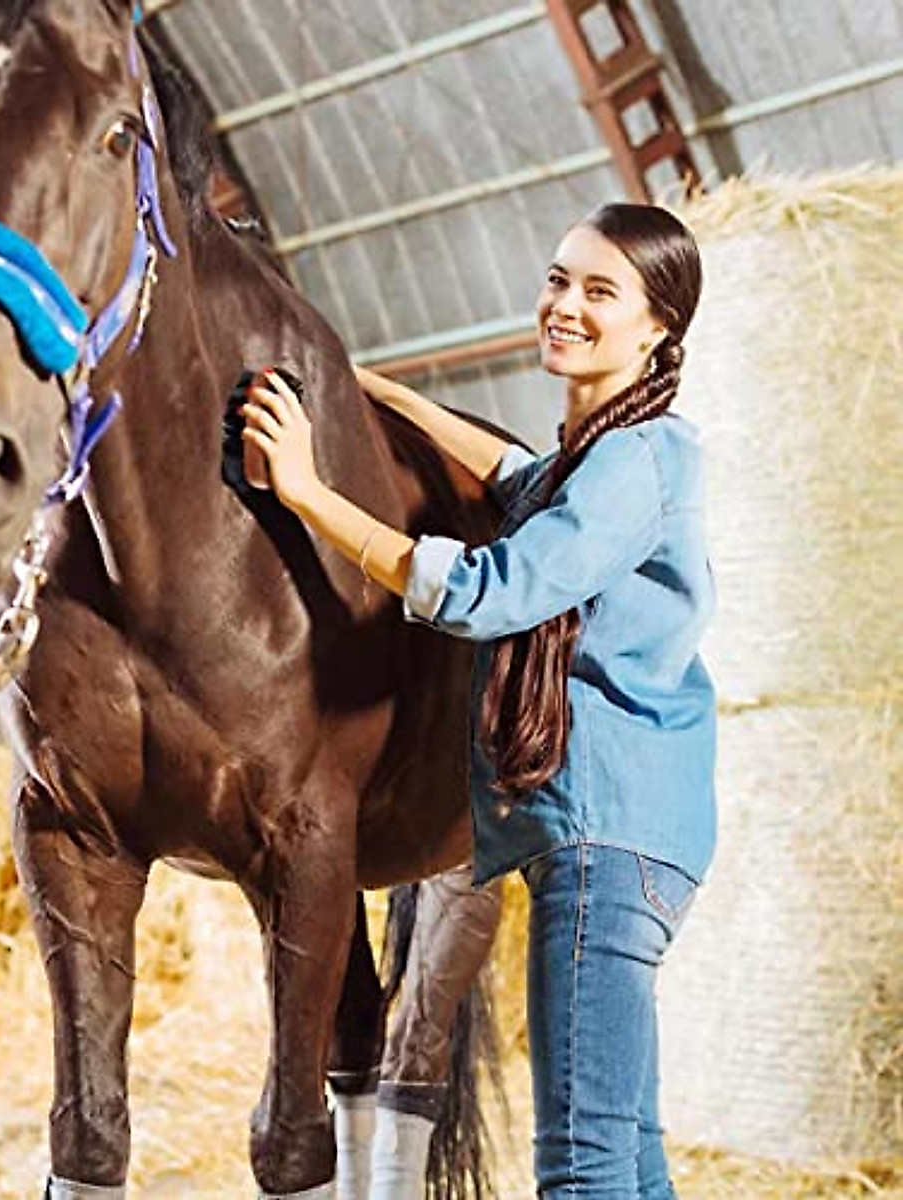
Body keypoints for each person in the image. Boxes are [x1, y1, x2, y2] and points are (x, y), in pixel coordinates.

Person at [241, 202, 715, 1199]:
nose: (564, 305)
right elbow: (514, 475)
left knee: (580, 1165)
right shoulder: (601, 459)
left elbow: (489, 591)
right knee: (631, 1151)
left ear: (658, 327)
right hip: (623, 839)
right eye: (557, 279)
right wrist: (366, 391)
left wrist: (308, 491)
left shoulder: (636, 463)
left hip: (607, 842)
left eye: (599, 291)